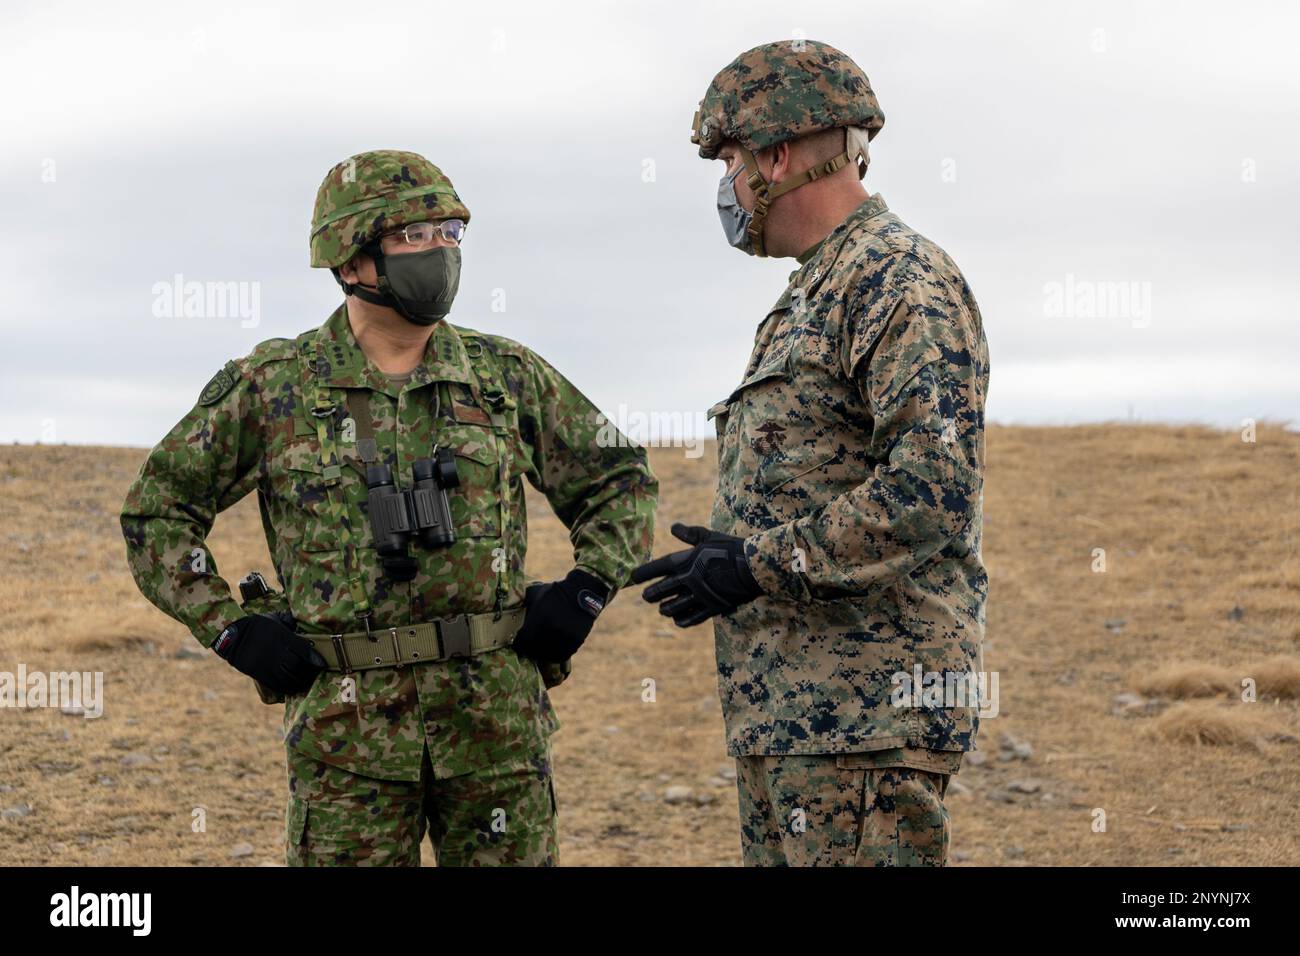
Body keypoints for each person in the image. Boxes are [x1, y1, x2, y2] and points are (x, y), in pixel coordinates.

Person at [121, 148, 657, 866]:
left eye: (450, 236)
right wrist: (230, 631)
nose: (439, 254)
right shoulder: (272, 388)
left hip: (495, 731)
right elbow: (158, 511)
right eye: (413, 237)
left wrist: (587, 589)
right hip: (347, 745)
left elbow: (617, 479)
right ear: (351, 258)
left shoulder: (505, 378)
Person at [633, 40, 990, 866]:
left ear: (777, 155)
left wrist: (759, 565)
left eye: (729, 160)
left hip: (868, 721)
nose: (727, 185)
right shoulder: (818, 287)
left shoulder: (896, 277)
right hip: (799, 713)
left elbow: (931, 491)